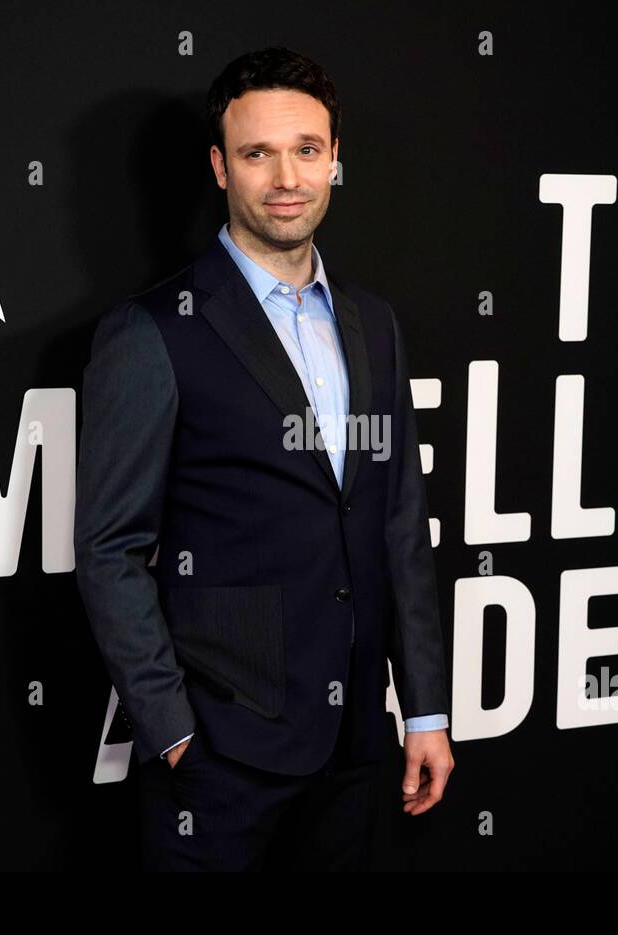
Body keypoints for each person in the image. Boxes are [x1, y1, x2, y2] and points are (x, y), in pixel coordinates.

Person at [74, 45, 453, 871]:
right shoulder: (153, 331)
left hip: (354, 747)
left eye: (307, 150)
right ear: (219, 166)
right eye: (257, 153)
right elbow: (110, 551)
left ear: (334, 161)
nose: (286, 176)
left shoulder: (374, 325)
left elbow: (398, 522)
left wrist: (423, 710)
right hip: (219, 760)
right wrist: (173, 732)